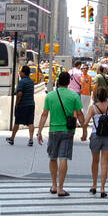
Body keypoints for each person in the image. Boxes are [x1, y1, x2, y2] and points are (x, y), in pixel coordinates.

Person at [37, 69, 87, 197]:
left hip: (53, 130)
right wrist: (84, 130)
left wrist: (39, 131)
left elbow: (44, 114)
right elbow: (80, 114)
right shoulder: (74, 96)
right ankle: (60, 188)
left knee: (52, 157)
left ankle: (53, 185)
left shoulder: (50, 96)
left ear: (58, 81)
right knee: (63, 158)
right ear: (69, 82)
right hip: (67, 131)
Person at [87, 84, 108, 198]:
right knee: (104, 162)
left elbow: (86, 122)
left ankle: (94, 185)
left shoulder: (93, 108)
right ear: (107, 96)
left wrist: (84, 132)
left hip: (95, 135)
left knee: (95, 161)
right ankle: (102, 188)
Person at [7, 64, 36, 147]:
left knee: (17, 122)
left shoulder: (22, 82)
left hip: (23, 105)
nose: (19, 73)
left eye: (20, 72)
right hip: (31, 104)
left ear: (24, 73)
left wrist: (16, 104)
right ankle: (31, 139)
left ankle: (12, 139)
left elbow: (19, 94)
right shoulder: (31, 81)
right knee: (30, 122)